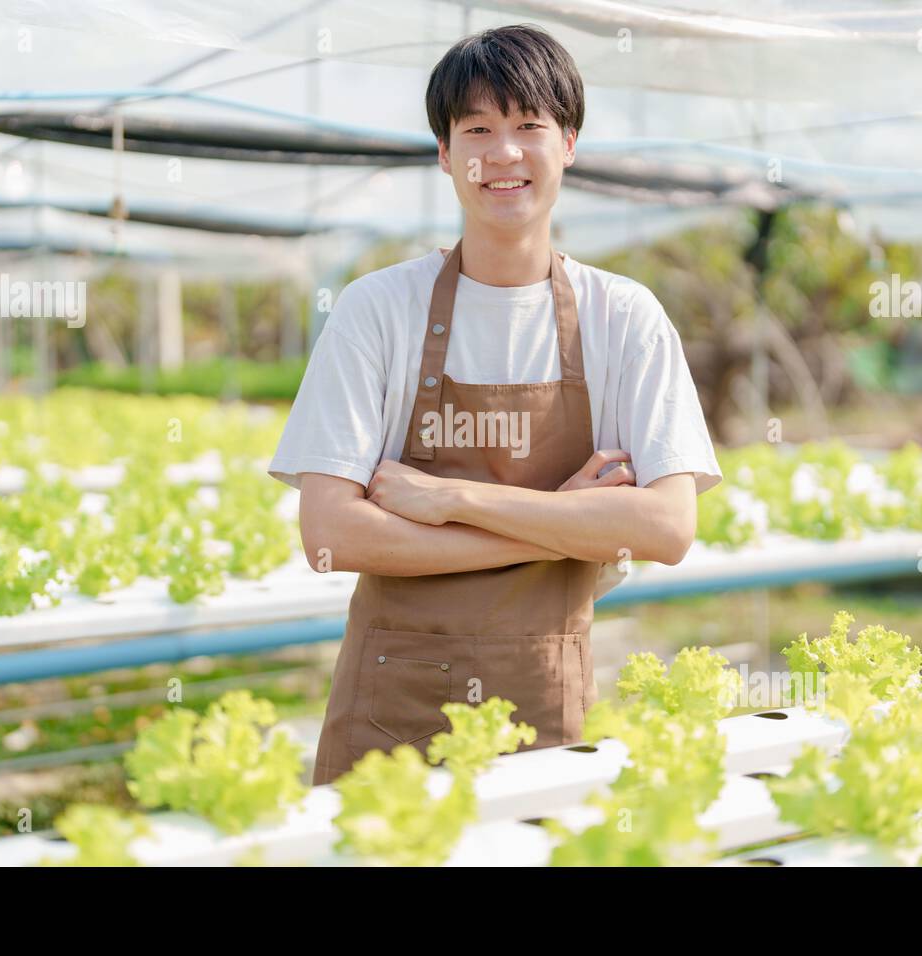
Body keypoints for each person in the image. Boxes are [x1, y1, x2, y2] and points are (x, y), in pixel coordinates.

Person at [268, 23, 722, 785]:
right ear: (445, 154)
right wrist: (565, 527)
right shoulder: (377, 309)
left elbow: (666, 528)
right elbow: (330, 535)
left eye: (527, 126)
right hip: (391, 709)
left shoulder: (625, 317)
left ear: (569, 142)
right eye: (476, 129)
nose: (502, 153)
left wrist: (447, 498)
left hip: (544, 695)